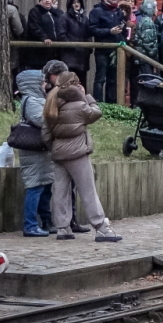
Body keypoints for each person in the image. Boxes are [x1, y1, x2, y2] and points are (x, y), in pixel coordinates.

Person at [41, 71, 121, 242]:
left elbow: (46, 133)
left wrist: (54, 147)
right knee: (88, 191)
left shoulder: (50, 103)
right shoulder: (79, 104)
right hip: (77, 152)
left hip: (58, 152)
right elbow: (96, 113)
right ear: (75, 84)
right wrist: (87, 96)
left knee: (60, 192)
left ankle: (63, 228)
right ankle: (101, 227)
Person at [13, 65, 58, 236]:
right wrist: (55, 116)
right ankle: (30, 225)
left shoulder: (38, 98)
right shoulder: (31, 100)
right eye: (42, 82)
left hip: (41, 151)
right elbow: (41, 120)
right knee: (35, 187)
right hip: (33, 151)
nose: (45, 84)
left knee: (44, 185)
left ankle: (45, 221)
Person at [88, 0, 126, 103]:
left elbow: (123, 30)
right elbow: (92, 29)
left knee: (113, 79)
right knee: (100, 78)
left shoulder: (118, 11)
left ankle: (111, 104)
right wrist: (109, 31)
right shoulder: (96, 12)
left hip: (116, 49)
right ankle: (98, 103)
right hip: (102, 49)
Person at [25, 0, 62, 70]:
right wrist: (44, 37)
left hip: (54, 51)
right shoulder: (35, 12)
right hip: (39, 52)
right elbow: (34, 27)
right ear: (40, 1)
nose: (47, 1)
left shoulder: (56, 13)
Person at [60, 0, 91, 85]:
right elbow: (62, 35)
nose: (76, 4)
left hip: (83, 55)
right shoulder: (64, 17)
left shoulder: (84, 19)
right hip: (69, 54)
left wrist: (88, 48)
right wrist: (72, 46)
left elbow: (88, 34)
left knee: (82, 81)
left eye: (78, 2)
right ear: (70, 5)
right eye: (74, 3)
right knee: (69, 81)